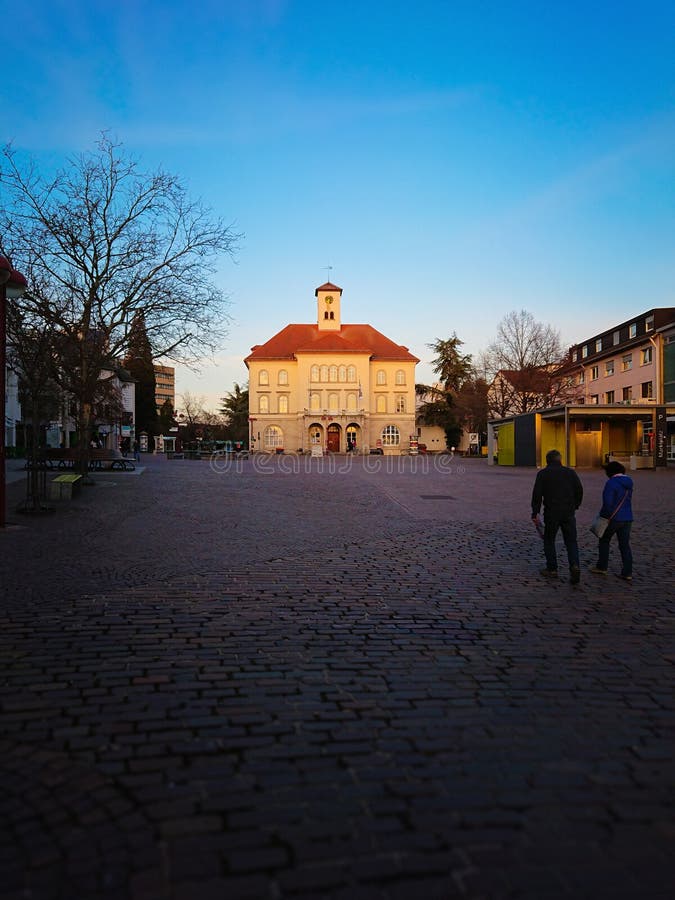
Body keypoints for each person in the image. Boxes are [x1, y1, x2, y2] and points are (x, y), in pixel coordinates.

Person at [531, 449, 584, 583]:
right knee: (571, 541)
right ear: (560, 460)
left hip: (551, 512)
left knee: (549, 540)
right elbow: (579, 490)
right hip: (568, 512)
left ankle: (552, 568)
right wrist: (575, 505)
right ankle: (574, 565)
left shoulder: (543, 474)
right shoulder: (570, 473)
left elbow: (537, 494)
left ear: (547, 460)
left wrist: (535, 512)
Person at [590, 460, 634, 581]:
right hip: (627, 517)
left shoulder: (611, 483)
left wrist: (603, 517)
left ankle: (602, 566)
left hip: (613, 518)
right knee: (624, 545)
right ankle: (627, 572)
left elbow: (607, 503)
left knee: (604, 540)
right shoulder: (629, 482)